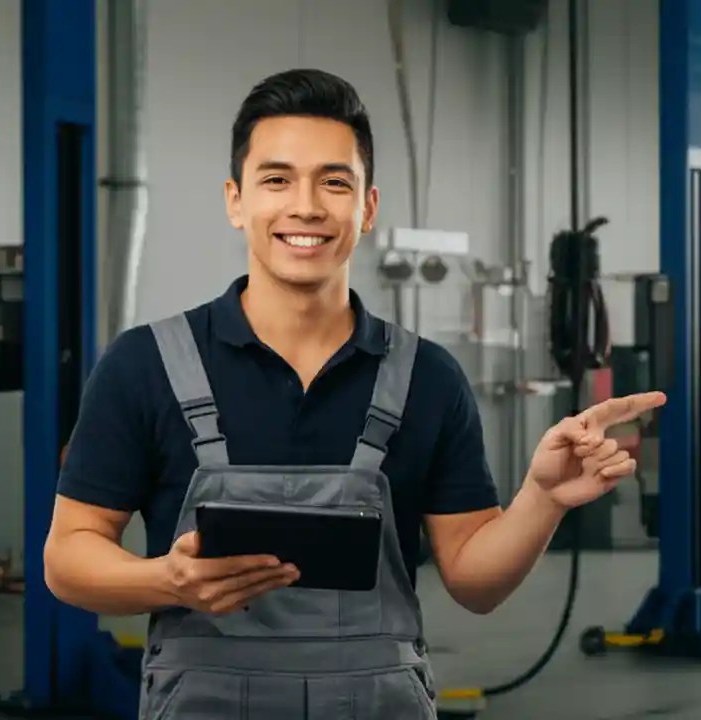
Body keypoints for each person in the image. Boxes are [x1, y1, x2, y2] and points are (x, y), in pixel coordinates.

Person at [42, 68, 665, 719]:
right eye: (277, 179)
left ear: (367, 207)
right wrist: (165, 580)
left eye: (334, 182)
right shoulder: (145, 365)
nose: (306, 206)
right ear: (235, 200)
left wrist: (542, 497)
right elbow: (68, 557)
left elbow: (475, 584)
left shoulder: (429, 378)